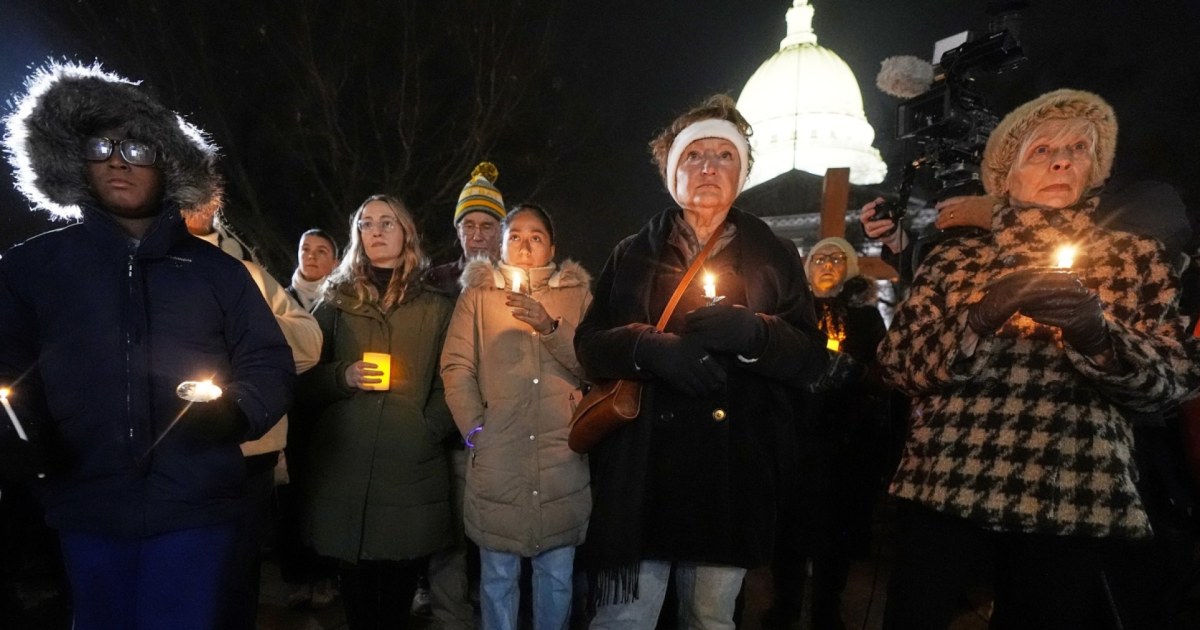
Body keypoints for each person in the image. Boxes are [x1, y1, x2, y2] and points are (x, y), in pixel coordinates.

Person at [876, 89, 1198, 629]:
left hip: (1068, 495)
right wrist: (979, 317)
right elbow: (897, 363)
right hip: (944, 486)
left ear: (1095, 171)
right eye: (1041, 150)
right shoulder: (956, 258)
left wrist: (1099, 337)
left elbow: (1174, 380)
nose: (1061, 159)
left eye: (1078, 148)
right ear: (1005, 177)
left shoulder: (1136, 259)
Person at [0, 61, 294, 629]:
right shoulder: (31, 268)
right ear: (73, 158)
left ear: (168, 166)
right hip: (84, 502)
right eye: (103, 145)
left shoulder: (218, 273)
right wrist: (15, 434)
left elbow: (267, 361)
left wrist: (235, 414)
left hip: (195, 506)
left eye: (137, 148)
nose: (117, 159)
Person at [574, 93, 829, 629]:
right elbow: (590, 345)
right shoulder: (632, 252)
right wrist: (648, 348)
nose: (708, 167)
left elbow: (810, 358)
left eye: (724, 155)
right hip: (644, 474)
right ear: (672, 170)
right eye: (694, 155)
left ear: (742, 172)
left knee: (710, 619)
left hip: (729, 475)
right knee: (624, 619)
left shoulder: (775, 254)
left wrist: (754, 333)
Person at [298, 194, 458, 630]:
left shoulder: (436, 305)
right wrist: (341, 376)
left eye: (387, 223)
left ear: (406, 233)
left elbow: (452, 380)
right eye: (367, 224)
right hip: (344, 467)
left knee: (397, 599)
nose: (376, 232)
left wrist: (427, 427)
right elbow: (302, 378)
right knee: (358, 604)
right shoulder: (334, 301)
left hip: (410, 469)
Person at [441, 203, 592, 630]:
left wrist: (550, 327)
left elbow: (593, 365)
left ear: (553, 247)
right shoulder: (479, 297)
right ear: (502, 244)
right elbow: (456, 367)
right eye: (516, 236)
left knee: (557, 575)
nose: (525, 245)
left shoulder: (578, 297)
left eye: (536, 236)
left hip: (562, 454)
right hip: (498, 455)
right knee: (498, 577)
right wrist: (475, 428)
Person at [183, 202, 324, 629]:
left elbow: (310, 344)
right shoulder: (150, 266)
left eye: (208, 190)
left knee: (239, 573)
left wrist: (253, 320)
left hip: (250, 449)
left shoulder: (248, 272)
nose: (198, 201)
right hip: (178, 445)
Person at [763, 237, 889, 630]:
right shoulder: (792, 316)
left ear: (850, 266)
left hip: (845, 444)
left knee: (837, 534)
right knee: (790, 533)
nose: (828, 264)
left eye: (838, 258)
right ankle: (785, 605)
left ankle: (827, 609)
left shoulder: (866, 319)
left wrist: (848, 370)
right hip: (796, 440)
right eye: (820, 257)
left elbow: (881, 374)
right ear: (807, 266)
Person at [420, 161, 509, 629]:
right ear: (457, 231)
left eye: (487, 225)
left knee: (499, 536)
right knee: (450, 535)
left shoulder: (520, 280)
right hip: (452, 430)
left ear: (501, 231)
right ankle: (451, 618)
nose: (477, 235)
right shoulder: (433, 283)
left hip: (506, 432)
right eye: (468, 225)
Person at [289, 228, 341, 311]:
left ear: (335, 263)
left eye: (321, 251)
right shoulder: (282, 300)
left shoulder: (345, 299)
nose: (311, 256)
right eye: (305, 249)